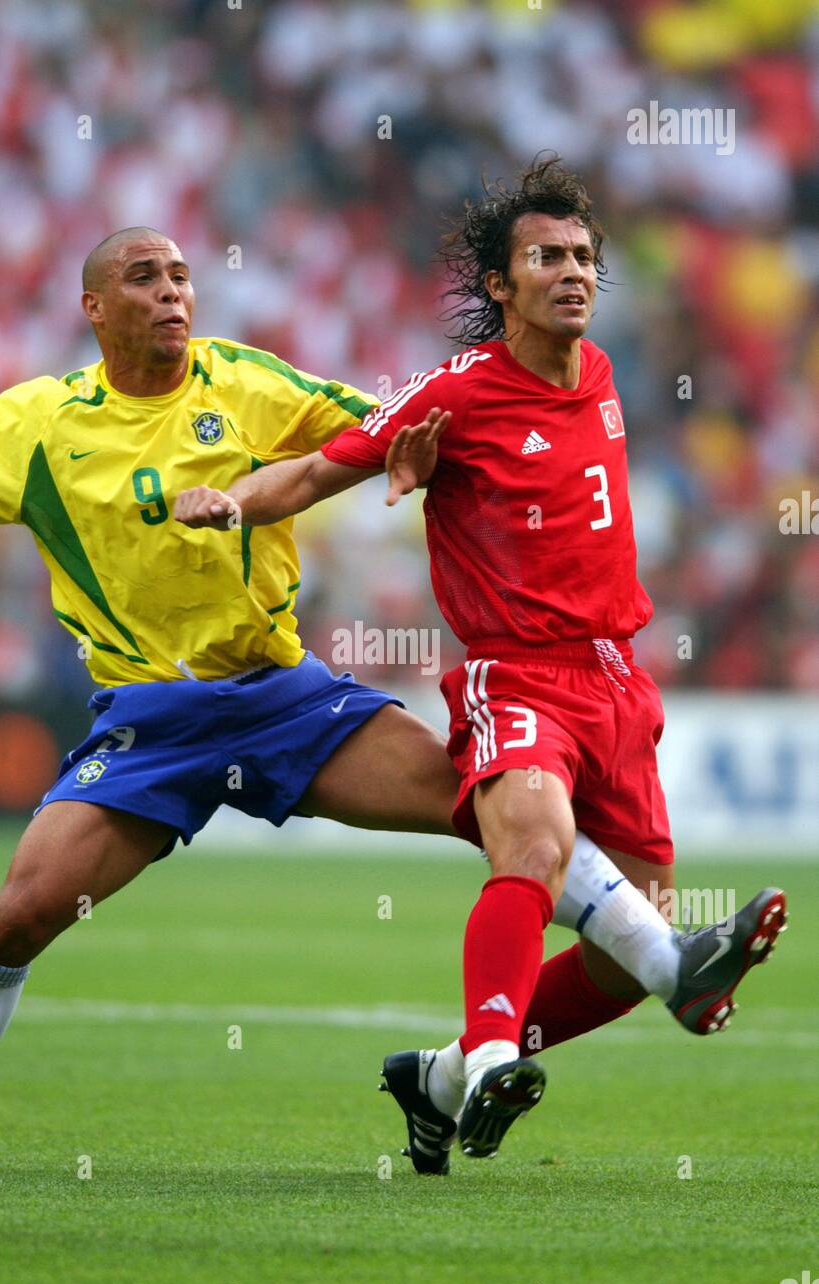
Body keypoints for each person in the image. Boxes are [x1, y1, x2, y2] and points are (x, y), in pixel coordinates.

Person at [0, 224, 690, 1184]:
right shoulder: (37, 425)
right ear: (94, 308)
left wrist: (424, 454)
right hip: (153, 721)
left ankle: (667, 958)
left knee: (492, 803)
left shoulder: (245, 382)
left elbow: (381, 428)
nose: (174, 291)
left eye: (182, 274)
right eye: (144, 278)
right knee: (18, 917)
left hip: (285, 698)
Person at [184, 160, 787, 1172]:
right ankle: (503, 1053)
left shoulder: (597, 374)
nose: (571, 272)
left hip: (617, 686)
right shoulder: (455, 394)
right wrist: (229, 503)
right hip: (515, 674)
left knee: (621, 950)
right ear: (500, 286)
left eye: (583, 256)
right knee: (536, 844)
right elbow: (321, 465)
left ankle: (442, 1074)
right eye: (544, 257)